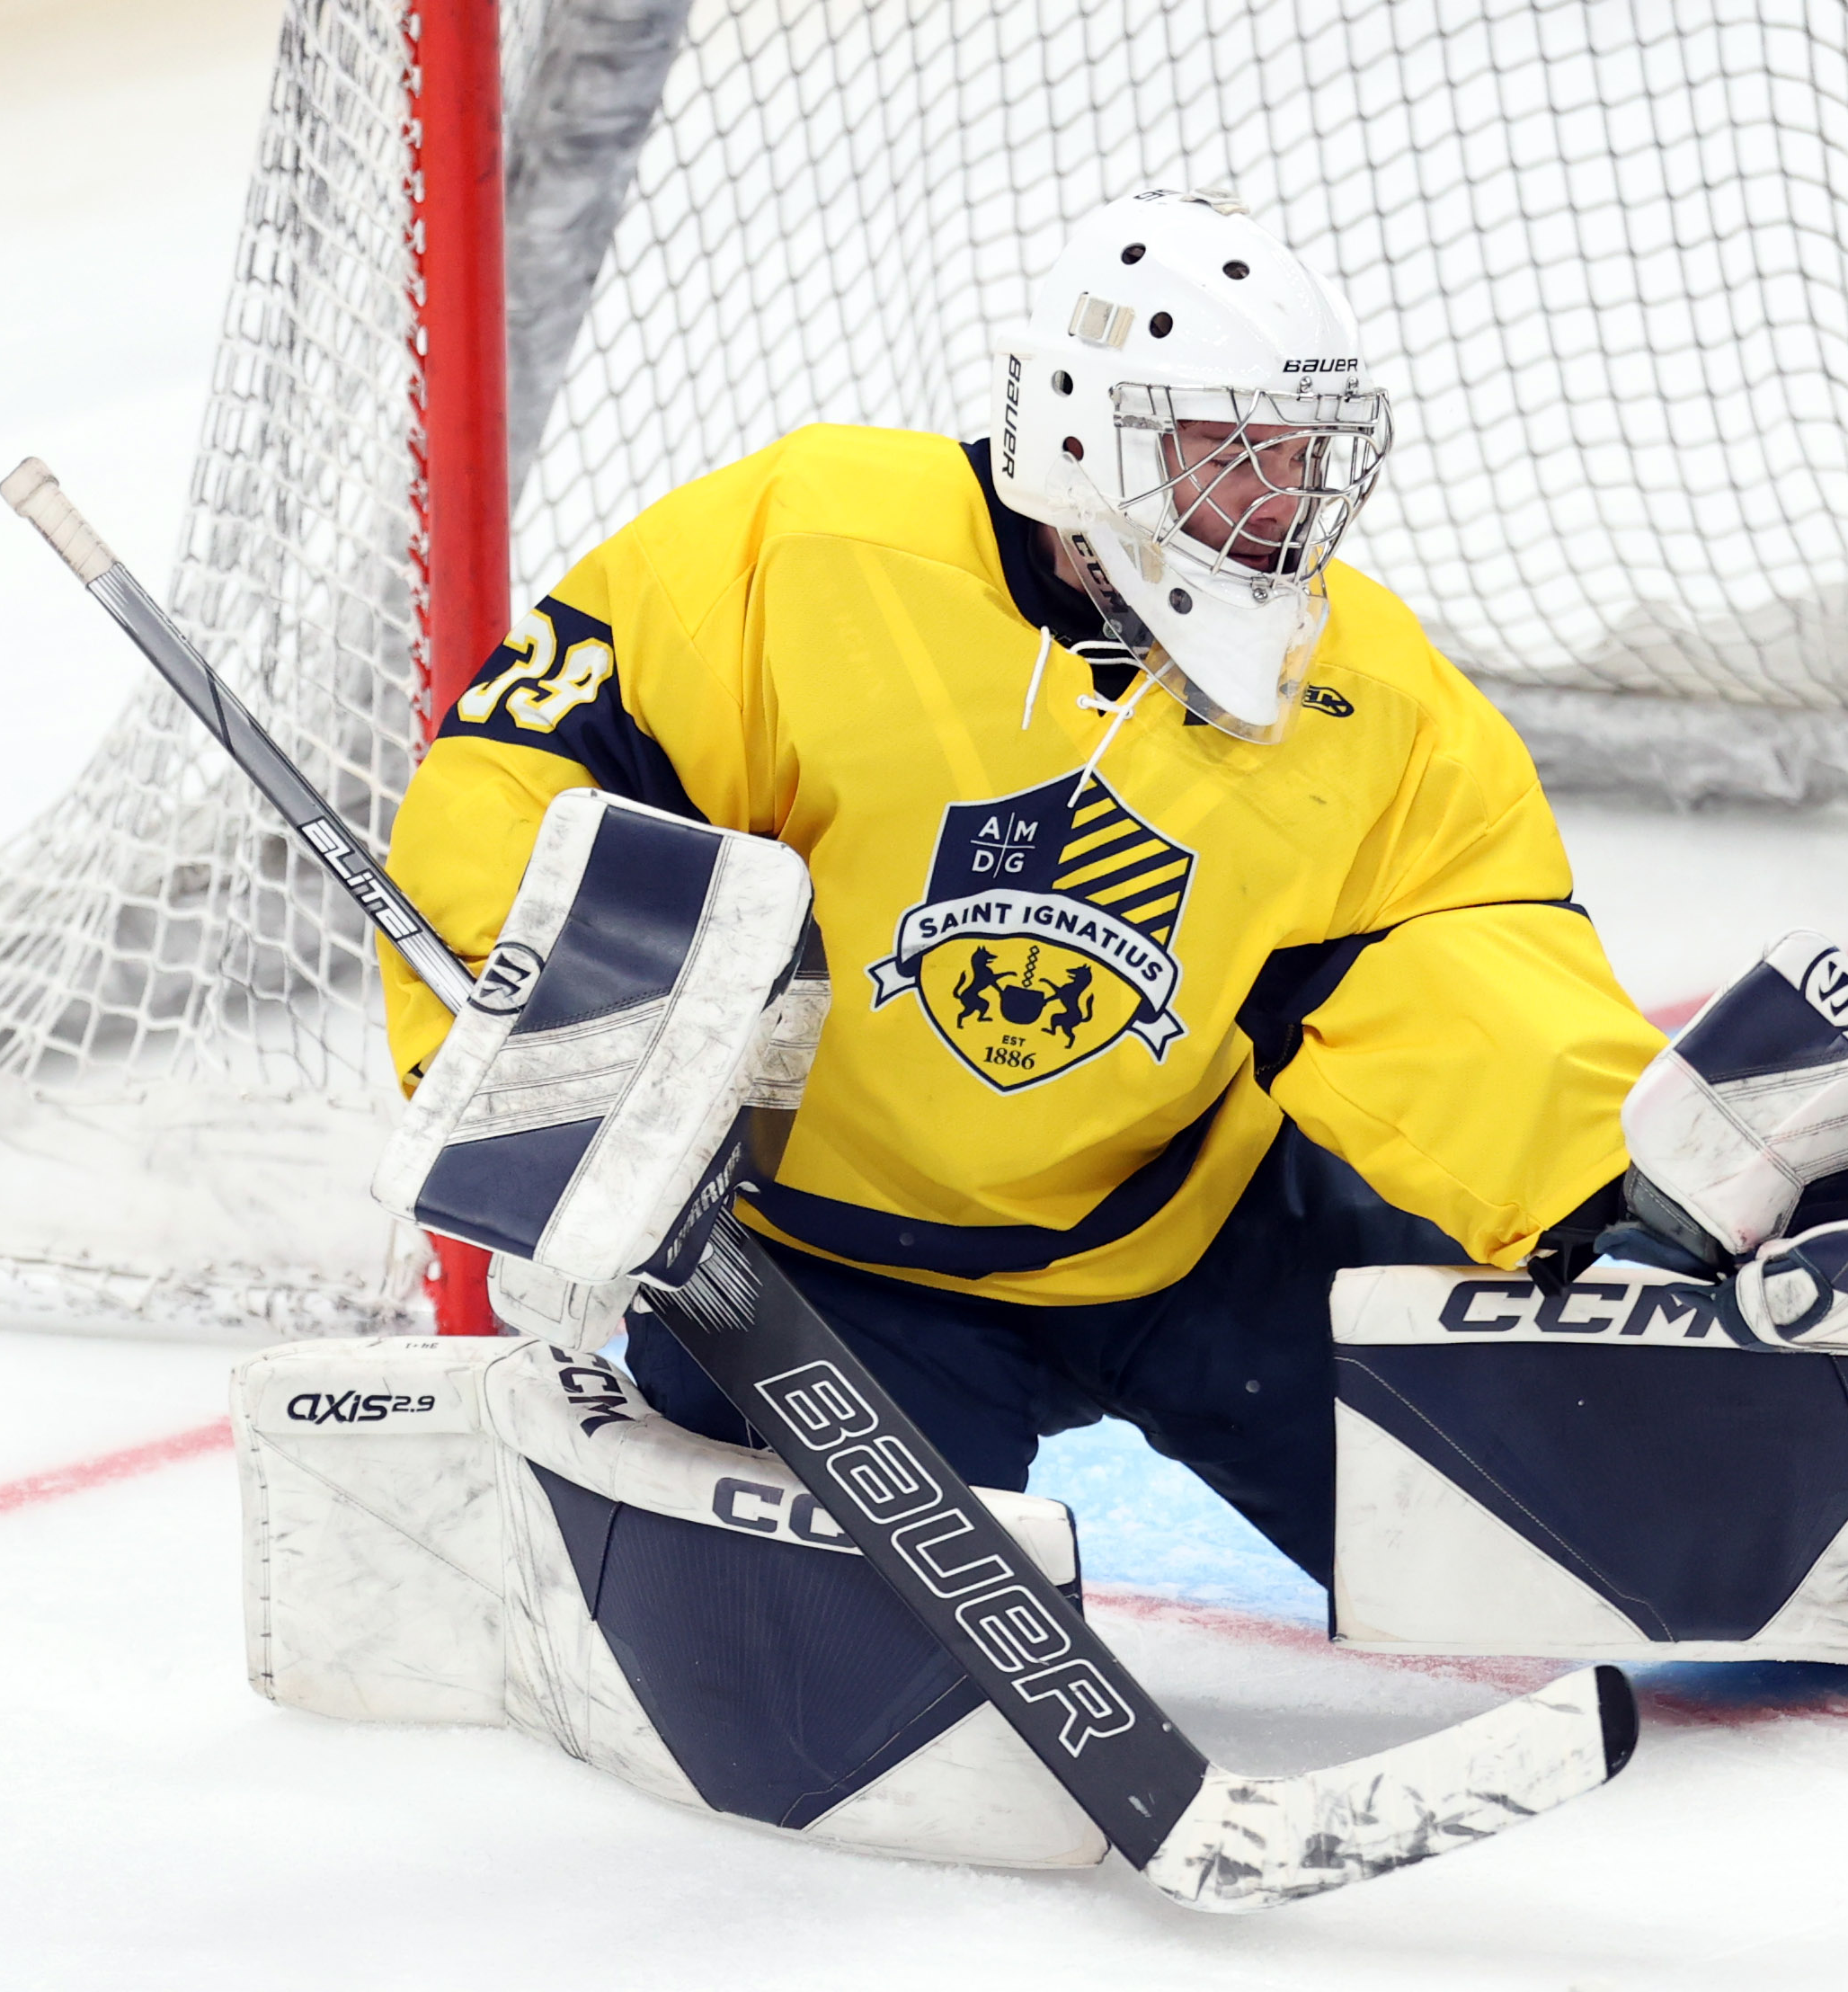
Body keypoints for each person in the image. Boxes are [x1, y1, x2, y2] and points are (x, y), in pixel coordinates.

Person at [380, 188, 1663, 1586]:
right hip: (826, 1277)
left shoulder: (1358, 681)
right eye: (1232, 454)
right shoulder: (803, 544)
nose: (1281, 502)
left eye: (1304, 457)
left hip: (1200, 1234)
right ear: (1075, 431)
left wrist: (1613, 1188)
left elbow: (1451, 954)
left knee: (1600, 1544)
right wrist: (543, 1119)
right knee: (836, 1678)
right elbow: (521, 779)